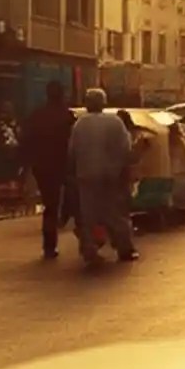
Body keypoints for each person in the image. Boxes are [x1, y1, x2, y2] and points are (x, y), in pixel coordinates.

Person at [68, 89, 138, 264]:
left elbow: (72, 152)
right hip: (110, 175)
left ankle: (89, 250)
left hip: (85, 176)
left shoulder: (79, 124)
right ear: (104, 103)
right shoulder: (115, 122)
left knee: (88, 215)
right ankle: (124, 249)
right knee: (115, 213)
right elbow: (125, 149)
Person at [19, 81, 75, 259]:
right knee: (71, 200)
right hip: (63, 166)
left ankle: (49, 245)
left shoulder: (36, 115)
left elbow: (25, 141)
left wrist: (26, 164)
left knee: (50, 205)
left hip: (42, 167)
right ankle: (83, 238)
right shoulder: (67, 116)